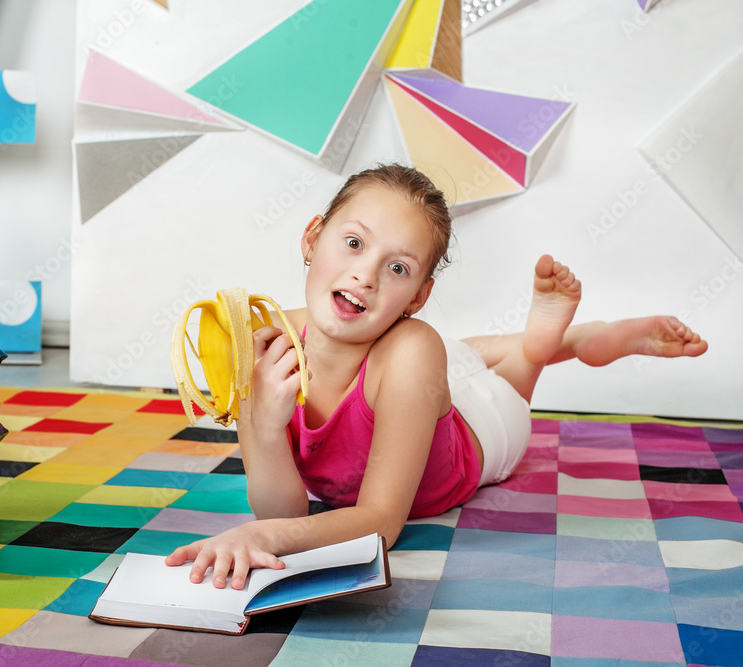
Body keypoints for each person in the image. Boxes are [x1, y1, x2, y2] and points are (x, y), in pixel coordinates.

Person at [165, 164, 708, 590]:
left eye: (397, 268)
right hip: (423, 376)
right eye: (353, 243)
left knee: (498, 389)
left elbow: (379, 523)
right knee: (449, 358)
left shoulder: (413, 347)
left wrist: (261, 535)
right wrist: (263, 426)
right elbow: (286, 512)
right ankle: (537, 342)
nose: (366, 274)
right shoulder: (265, 344)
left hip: (479, 432)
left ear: (419, 296)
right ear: (312, 238)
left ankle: (541, 349)